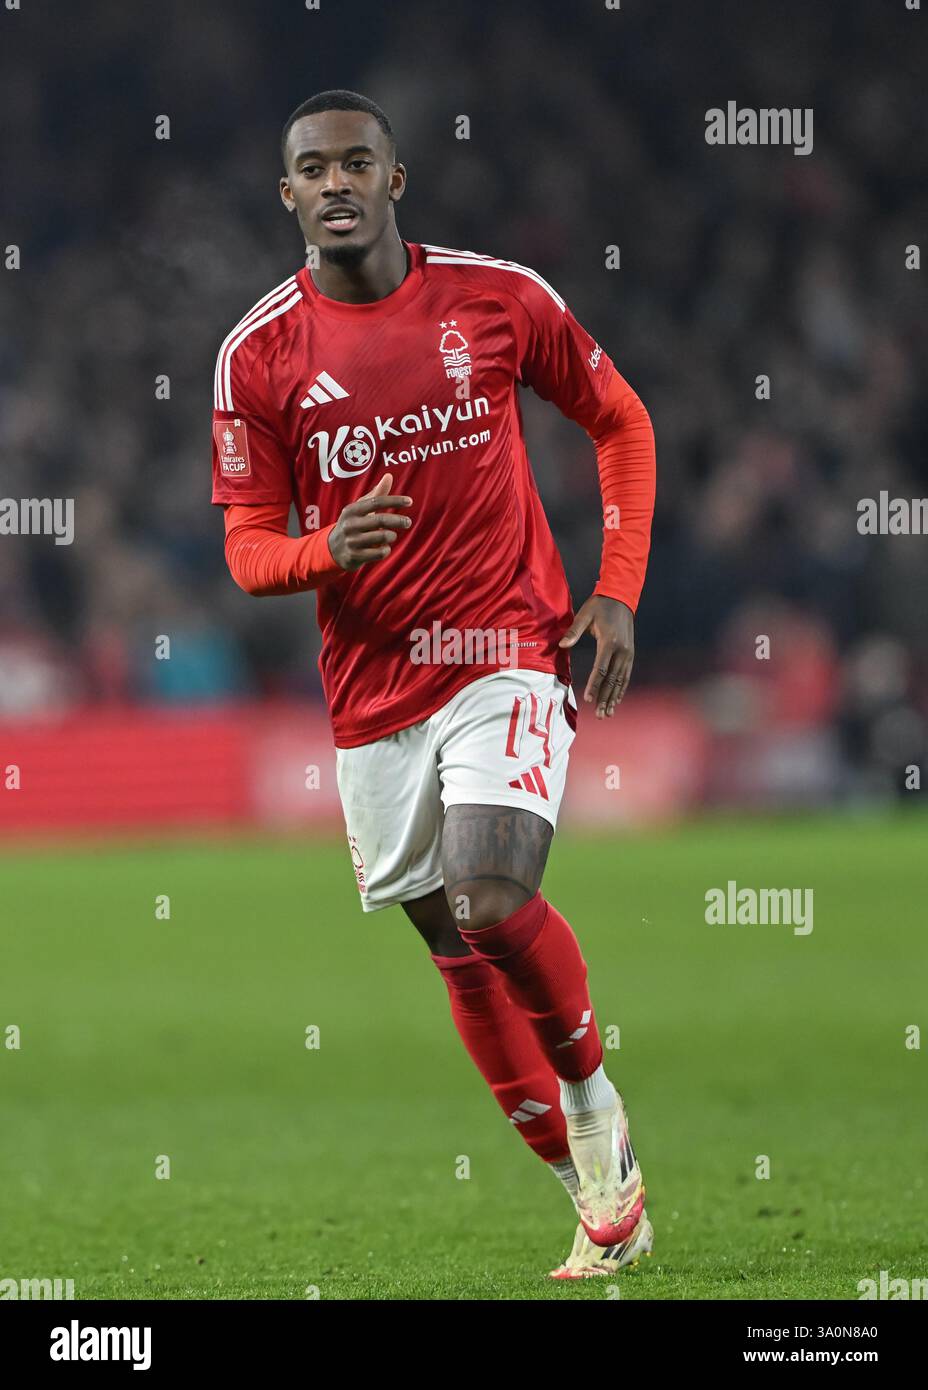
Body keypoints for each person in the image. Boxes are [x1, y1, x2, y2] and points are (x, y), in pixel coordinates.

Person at [211, 88, 656, 1279]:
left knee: (490, 895)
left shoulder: (498, 298)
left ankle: (599, 1106)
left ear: (397, 180)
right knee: (454, 950)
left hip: (505, 649)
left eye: (360, 162)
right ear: (290, 193)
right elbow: (248, 546)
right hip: (373, 698)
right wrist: (324, 551)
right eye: (315, 168)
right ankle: (590, 1188)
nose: (338, 182)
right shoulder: (257, 354)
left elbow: (618, 421)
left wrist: (614, 588)